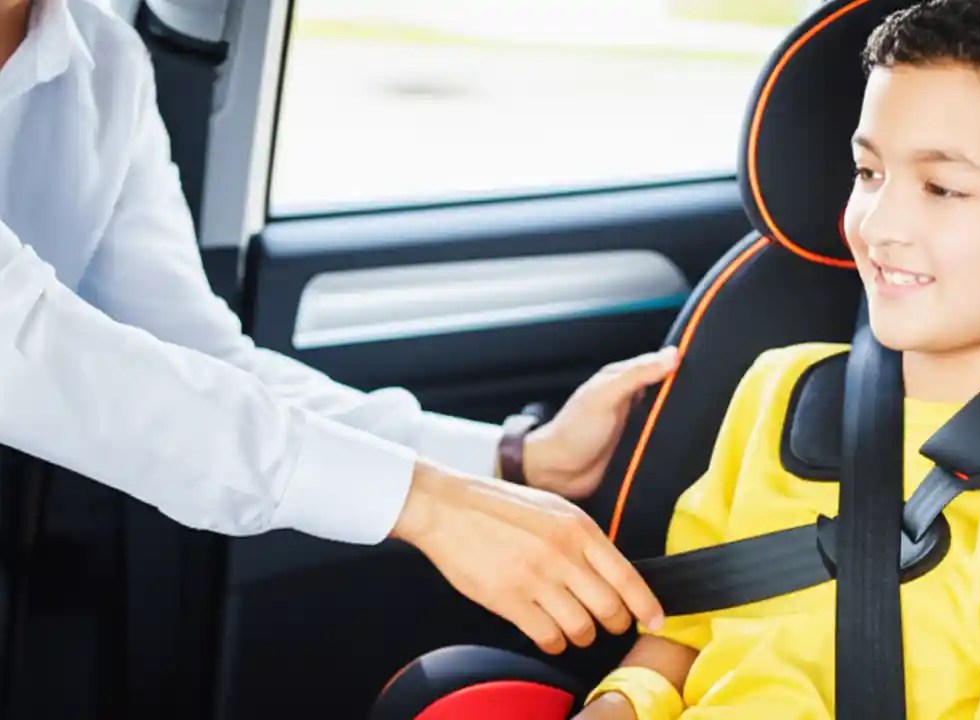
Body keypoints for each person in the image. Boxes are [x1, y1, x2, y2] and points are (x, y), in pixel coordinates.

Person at [576, 0, 980, 717]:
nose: (878, 224)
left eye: (943, 188)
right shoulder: (782, 389)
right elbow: (685, 626)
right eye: (868, 172)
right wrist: (618, 704)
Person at [0, 0, 669, 657]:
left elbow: (197, 354)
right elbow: (29, 346)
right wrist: (423, 502)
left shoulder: (106, 65)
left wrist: (513, 459)